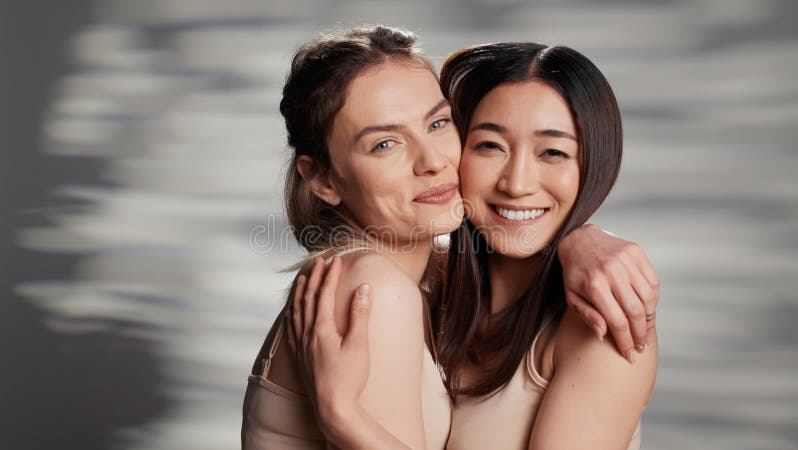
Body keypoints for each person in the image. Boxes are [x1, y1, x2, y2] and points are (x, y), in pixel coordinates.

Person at [243, 26, 659, 450]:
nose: (431, 161)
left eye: (438, 124)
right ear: (323, 180)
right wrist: (343, 418)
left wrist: (580, 238)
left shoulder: (435, 287)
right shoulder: (376, 290)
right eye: (385, 143)